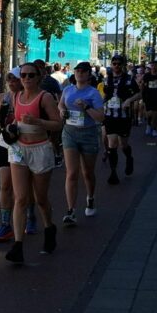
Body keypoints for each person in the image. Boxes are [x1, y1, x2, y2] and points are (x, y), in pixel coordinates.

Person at [5, 63, 63, 263]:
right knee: (20, 199)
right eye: (23, 75)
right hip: (19, 149)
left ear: (39, 77)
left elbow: (58, 123)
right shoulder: (16, 96)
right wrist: (12, 127)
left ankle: (49, 227)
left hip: (40, 149)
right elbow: (16, 120)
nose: (26, 79)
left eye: (31, 75)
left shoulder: (45, 97)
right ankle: (18, 246)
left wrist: (38, 122)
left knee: (40, 199)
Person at [59, 62, 105, 225]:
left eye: (83, 71)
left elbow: (100, 117)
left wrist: (86, 107)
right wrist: (62, 111)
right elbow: (61, 104)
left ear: (88, 74)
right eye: (77, 70)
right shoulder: (68, 90)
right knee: (71, 173)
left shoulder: (93, 93)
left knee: (87, 172)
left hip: (88, 133)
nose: (79, 73)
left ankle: (90, 197)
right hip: (70, 132)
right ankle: (71, 211)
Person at [0, 71, 21, 242]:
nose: (11, 82)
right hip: (4, 143)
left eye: (14, 79)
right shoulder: (2, 97)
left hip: (22, 145)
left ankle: (30, 216)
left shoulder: (26, 98)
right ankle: (5, 224)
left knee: (23, 188)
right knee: (5, 185)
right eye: (9, 79)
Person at [102, 55, 140, 185]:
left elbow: (139, 93)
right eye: (114, 63)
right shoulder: (107, 79)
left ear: (123, 65)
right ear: (111, 65)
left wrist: (129, 100)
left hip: (124, 117)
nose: (116, 66)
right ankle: (113, 173)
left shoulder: (129, 79)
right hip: (110, 116)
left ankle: (129, 158)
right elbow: (105, 95)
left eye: (119, 63)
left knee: (123, 144)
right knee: (112, 144)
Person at [141, 61, 157, 138]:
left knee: (156, 114)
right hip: (148, 96)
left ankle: (154, 129)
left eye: (155, 66)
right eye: (152, 66)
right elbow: (142, 85)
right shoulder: (146, 76)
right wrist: (142, 94)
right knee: (149, 113)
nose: (153, 67)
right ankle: (148, 124)